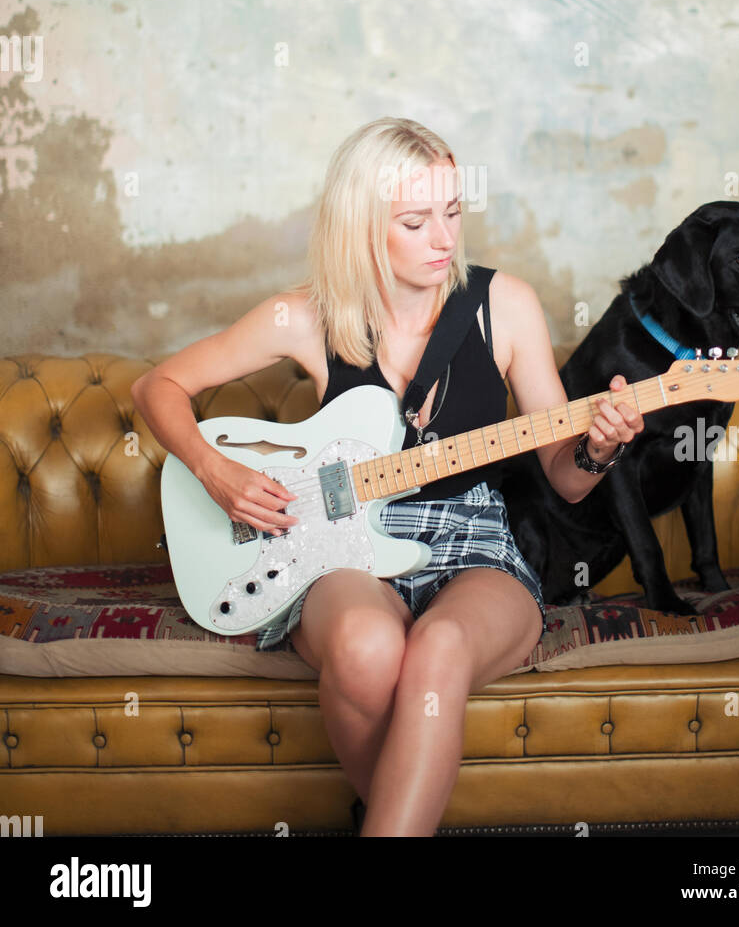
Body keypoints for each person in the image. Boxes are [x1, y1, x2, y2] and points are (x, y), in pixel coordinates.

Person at [131, 116, 644, 837]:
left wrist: (600, 447)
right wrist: (215, 472)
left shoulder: (507, 305)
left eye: (453, 213)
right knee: (369, 650)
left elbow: (566, 479)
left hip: (475, 542)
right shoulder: (304, 316)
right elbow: (158, 387)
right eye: (415, 220)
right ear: (362, 225)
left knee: (437, 648)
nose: (444, 239)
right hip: (338, 544)